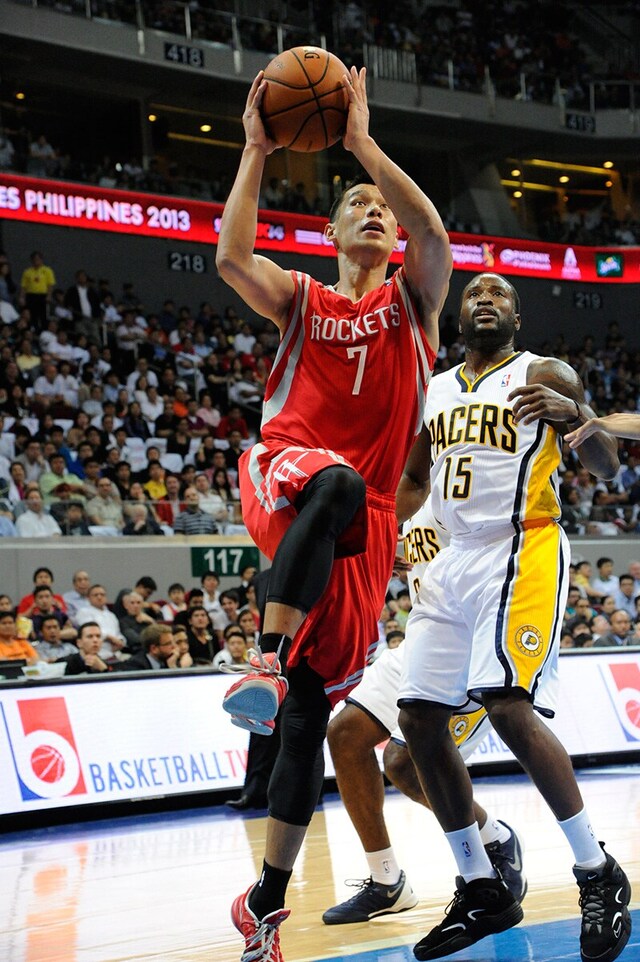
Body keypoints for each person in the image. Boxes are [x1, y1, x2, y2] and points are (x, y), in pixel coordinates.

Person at [216, 65, 451, 959]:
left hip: (367, 534)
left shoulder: (414, 304)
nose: (375, 210)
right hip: (290, 473)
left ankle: (263, 906)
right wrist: (253, 148)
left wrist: (361, 142)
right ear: (329, 229)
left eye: (380, 205)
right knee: (337, 481)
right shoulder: (303, 300)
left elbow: (430, 227)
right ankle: (265, 659)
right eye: (356, 201)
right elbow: (232, 258)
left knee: (310, 718)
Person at [395, 272, 630, 962]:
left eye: (499, 293)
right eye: (474, 293)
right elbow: (413, 478)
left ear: (518, 317)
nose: (485, 298)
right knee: (416, 725)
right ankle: (480, 884)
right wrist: (392, 529)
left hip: (523, 544)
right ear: (459, 315)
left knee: (505, 704)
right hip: (450, 558)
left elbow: (607, 466)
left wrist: (572, 413)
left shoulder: (543, 372)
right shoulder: (433, 388)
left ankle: (596, 870)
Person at [324, 496, 526, 925]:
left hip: (468, 645)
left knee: (402, 763)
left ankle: (494, 838)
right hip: (421, 635)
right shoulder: (408, 486)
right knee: (345, 734)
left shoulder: (472, 470)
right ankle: (386, 881)